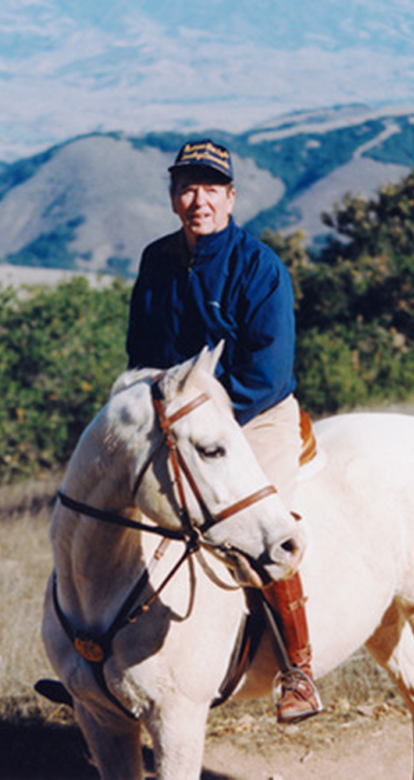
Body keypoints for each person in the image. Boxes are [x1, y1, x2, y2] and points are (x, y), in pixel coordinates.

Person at [126, 139, 324, 724]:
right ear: (172, 197)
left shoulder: (260, 267)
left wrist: (201, 420)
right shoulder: (156, 260)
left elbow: (268, 371)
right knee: (116, 517)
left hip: (254, 417)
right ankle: (104, 664)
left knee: (265, 531)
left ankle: (297, 671)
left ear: (231, 198)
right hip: (176, 420)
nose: (199, 200)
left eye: (211, 188)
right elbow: (141, 353)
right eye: (188, 187)